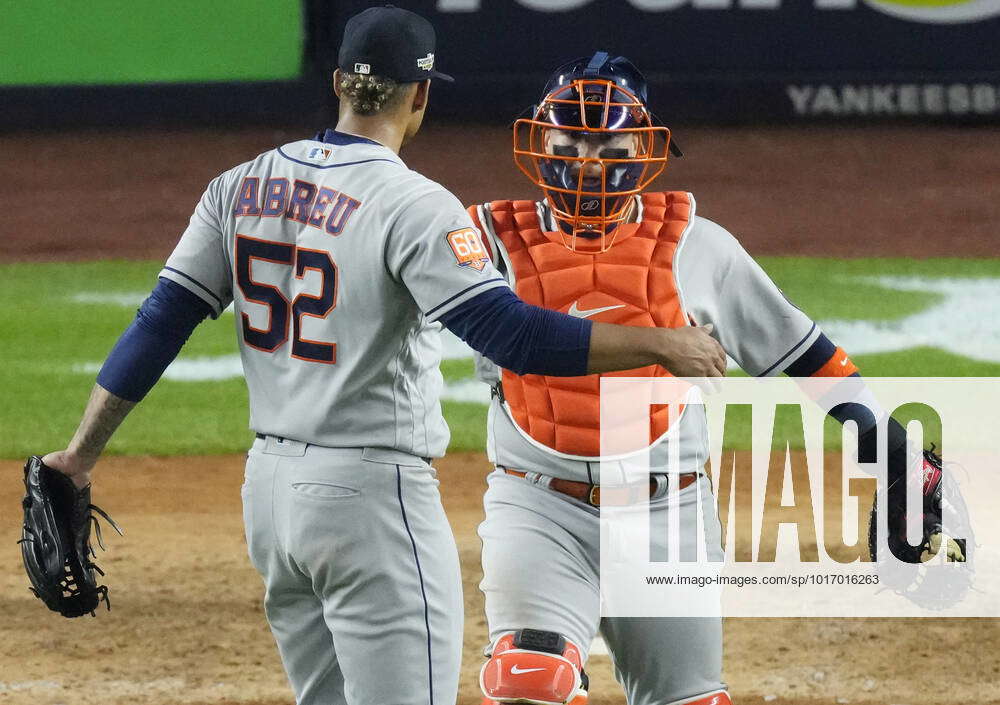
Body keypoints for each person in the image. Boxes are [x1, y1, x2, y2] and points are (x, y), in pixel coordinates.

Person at [36, 14, 726, 705]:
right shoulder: (415, 206)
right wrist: (662, 342)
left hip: (270, 500)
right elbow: (512, 336)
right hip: (371, 501)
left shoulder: (238, 187)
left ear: (339, 83)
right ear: (420, 97)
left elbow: (159, 323)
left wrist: (78, 455)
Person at [466, 52, 870, 705]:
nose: (588, 161)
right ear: (540, 141)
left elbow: (805, 353)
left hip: (668, 510)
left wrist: (895, 452)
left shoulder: (697, 246)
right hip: (537, 506)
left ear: (645, 145)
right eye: (571, 141)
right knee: (528, 682)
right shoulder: (482, 244)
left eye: (607, 143)